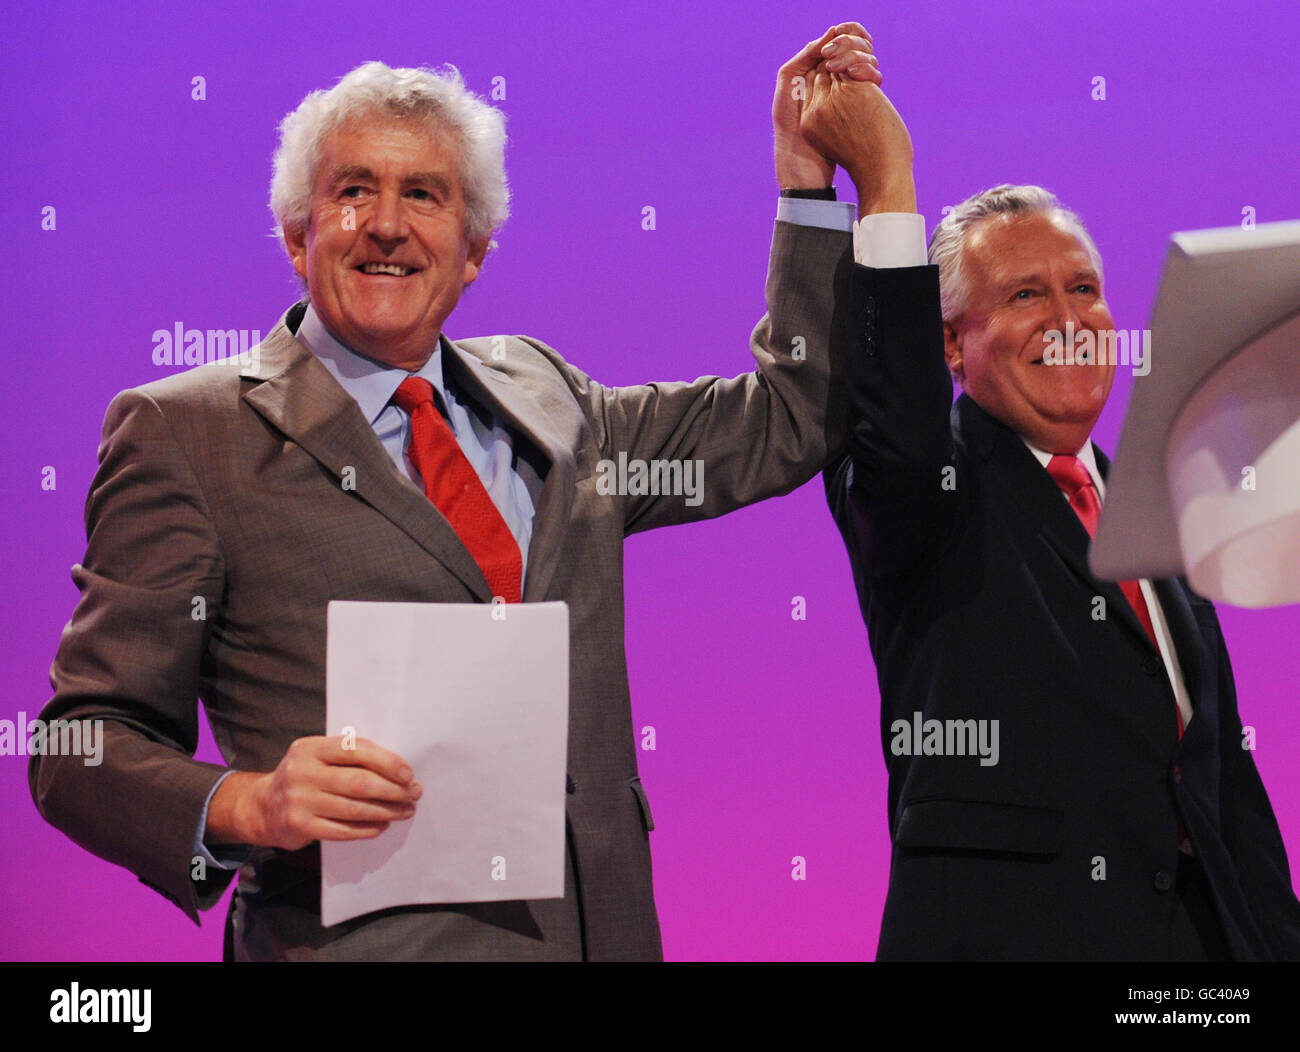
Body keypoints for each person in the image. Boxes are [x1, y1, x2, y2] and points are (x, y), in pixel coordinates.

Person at [29, 27, 889, 961]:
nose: (386, 224)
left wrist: (806, 190)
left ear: (474, 249)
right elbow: (81, 746)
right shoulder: (187, 432)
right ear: (296, 235)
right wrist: (247, 803)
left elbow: (786, 419)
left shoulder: (549, 395)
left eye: (423, 195)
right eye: (352, 191)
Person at [809, 76, 1300, 959]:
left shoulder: (1154, 501)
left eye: (1084, 288)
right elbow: (898, 427)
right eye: (1026, 296)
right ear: (950, 342)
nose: (1070, 319)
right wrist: (886, 184)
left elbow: (1221, 783)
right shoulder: (925, 487)